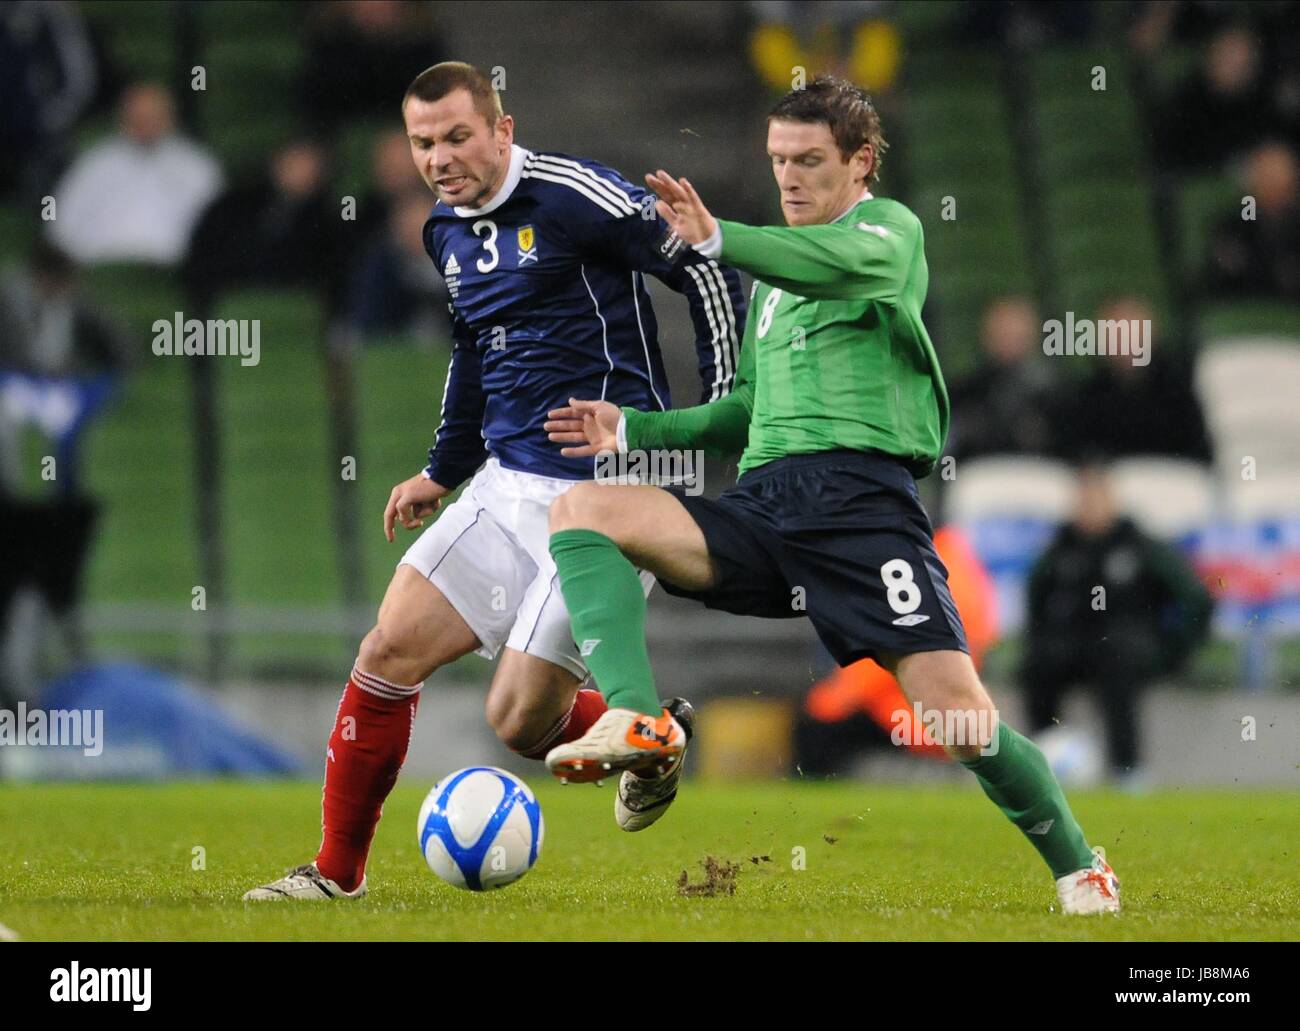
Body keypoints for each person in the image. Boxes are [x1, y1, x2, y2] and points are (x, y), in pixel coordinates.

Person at [542, 75, 1121, 914]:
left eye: (809, 160)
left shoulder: (888, 231)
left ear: (861, 162)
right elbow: (745, 409)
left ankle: (1079, 864)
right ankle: (640, 721)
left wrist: (720, 239)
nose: (789, 178)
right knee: (583, 509)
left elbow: (848, 264)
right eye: (779, 160)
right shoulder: (772, 286)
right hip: (763, 505)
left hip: (860, 507)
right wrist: (634, 430)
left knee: (957, 717)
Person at [243, 62, 744, 901]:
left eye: (457, 137)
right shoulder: (444, 228)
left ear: (502, 130)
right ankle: (335, 876)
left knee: (516, 722)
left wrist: (730, 411)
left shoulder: (575, 195)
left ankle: (649, 735)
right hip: (505, 483)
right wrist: (442, 471)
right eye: (423, 143)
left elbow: (700, 267)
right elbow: (475, 348)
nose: (439, 158)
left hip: (608, 496)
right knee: (386, 650)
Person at [1022, 463, 1215, 785]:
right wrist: (1040, 638)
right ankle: (1046, 757)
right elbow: (1035, 597)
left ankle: (1128, 768)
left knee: (1116, 657)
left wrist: (1176, 651)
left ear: (1113, 500)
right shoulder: (1062, 547)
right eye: (1083, 500)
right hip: (1076, 641)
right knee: (1039, 662)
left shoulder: (1140, 546)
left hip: (1131, 642)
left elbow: (1196, 598)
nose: (1089, 507)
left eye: (1096, 498)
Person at [47, 83, 222, 266]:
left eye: (152, 118)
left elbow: (215, 232)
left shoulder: (198, 168)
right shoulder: (93, 164)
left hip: (169, 275)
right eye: (137, 118)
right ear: (123, 119)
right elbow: (60, 228)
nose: (144, 125)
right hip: (99, 272)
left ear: (170, 119)